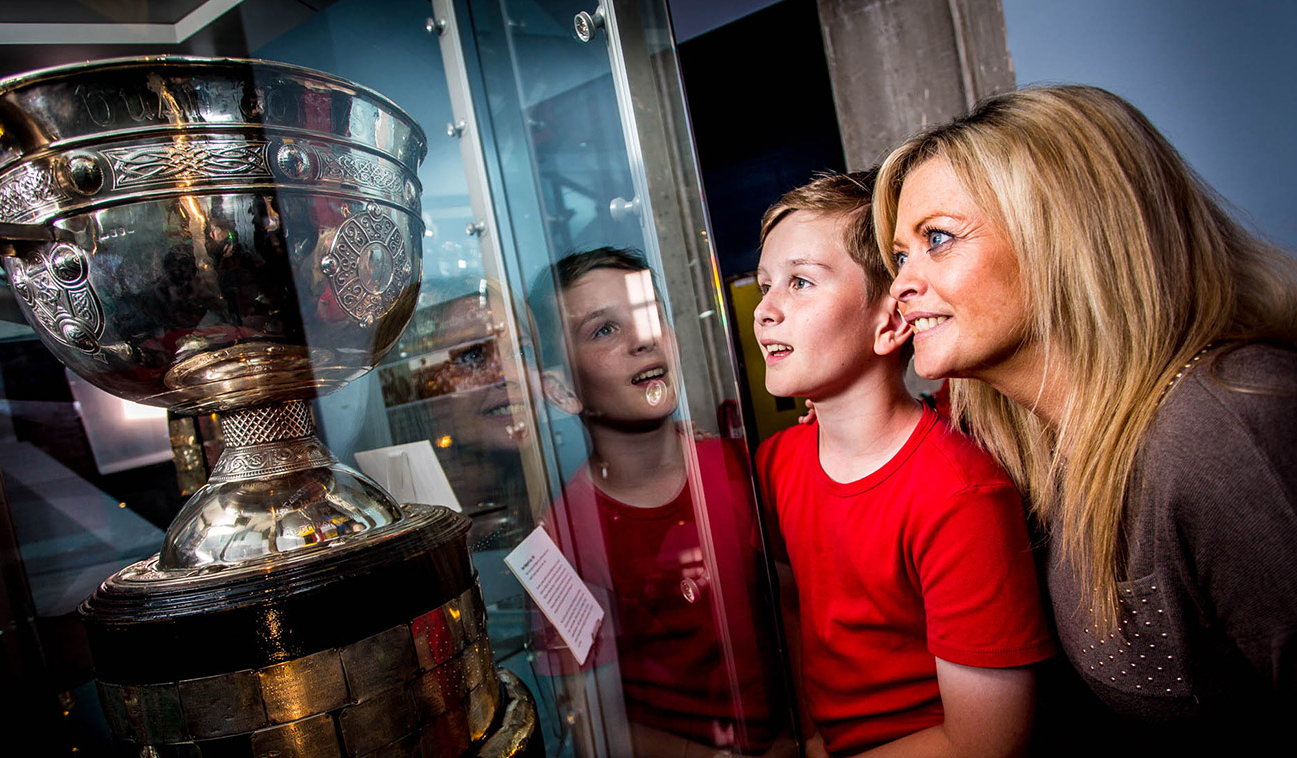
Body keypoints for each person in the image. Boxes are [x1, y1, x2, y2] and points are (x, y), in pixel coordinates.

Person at [878, 84, 1297, 751]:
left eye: (938, 239)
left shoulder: (1225, 426)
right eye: (901, 254)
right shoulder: (1049, 448)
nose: (900, 284)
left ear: (1065, 237)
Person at [754, 171, 1055, 757]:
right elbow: (790, 608)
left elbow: (986, 744)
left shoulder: (959, 494)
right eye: (766, 285)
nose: (765, 310)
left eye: (799, 283)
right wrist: (810, 738)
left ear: (892, 322)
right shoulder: (777, 461)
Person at [530, 248, 791, 757]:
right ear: (561, 390)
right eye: (604, 330)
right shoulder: (562, 541)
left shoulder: (745, 468)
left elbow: (801, 620)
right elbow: (596, 725)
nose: (643, 338)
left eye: (650, 315)